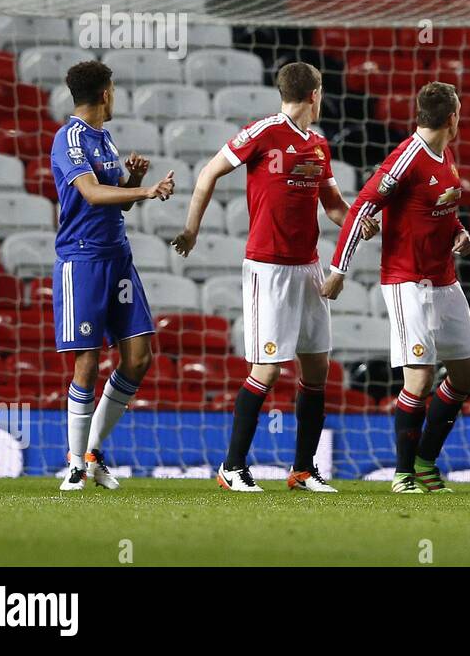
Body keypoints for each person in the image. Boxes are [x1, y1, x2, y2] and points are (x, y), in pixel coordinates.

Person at [172, 62, 350, 494]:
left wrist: (356, 222)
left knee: (317, 367)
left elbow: (333, 206)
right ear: (316, 94)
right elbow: (209, 171)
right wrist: (192, 229)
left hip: (308, 267)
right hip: (268, 268)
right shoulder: (262, 132)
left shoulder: (318, 145)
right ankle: (232, 467)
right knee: (267, 369)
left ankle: (304, 470)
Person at [321, 82, 470, 494]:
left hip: (445, 278)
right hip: (408, 282)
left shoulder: (444, 155)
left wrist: (459, 231)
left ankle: (426, 460)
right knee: (420, 380)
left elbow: (439, 208)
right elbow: (361, 208)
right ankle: (404, 474)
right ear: (452, 119)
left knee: (466, 374)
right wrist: (339, 269)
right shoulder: (406, 158)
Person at [51, 60, 175, 491]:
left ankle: (90, 451)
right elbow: (89, 193)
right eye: (114, 89)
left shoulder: (102, 137)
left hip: (117, 257)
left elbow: (116, 200)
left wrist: (135, 178)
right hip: (82, 260)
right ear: (105, 93)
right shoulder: (68, 139)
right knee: (87, 361)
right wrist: (145, 189)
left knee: (139, 356)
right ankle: (74, 466)